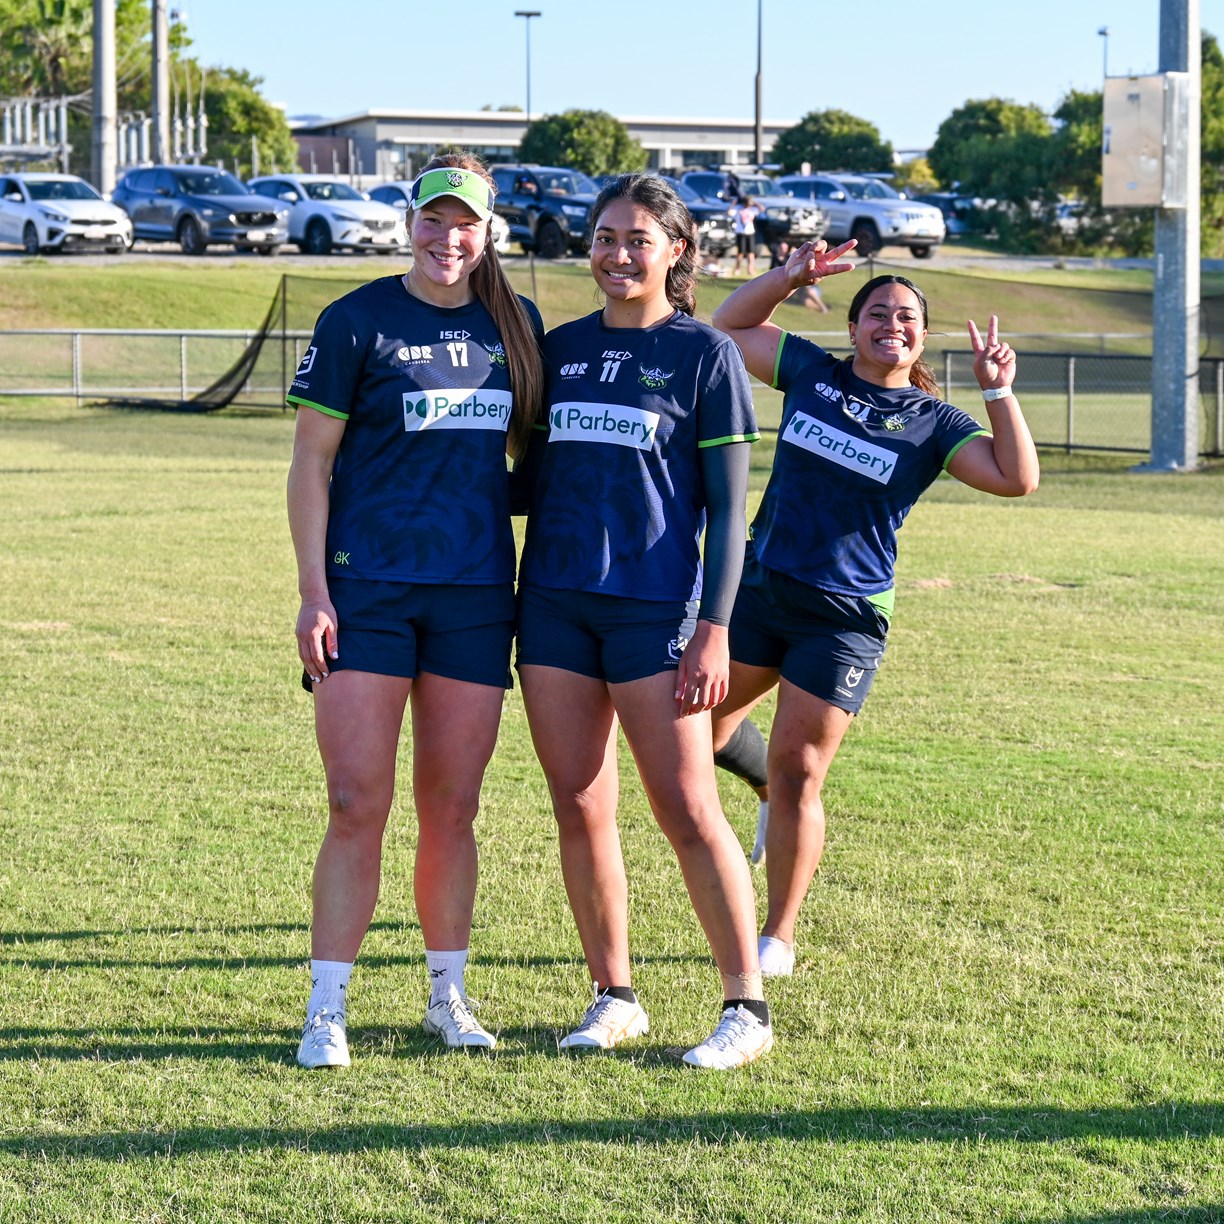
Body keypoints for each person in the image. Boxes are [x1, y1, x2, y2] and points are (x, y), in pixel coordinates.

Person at [710, 241, 1040, 978]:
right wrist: (789, 277)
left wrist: (998, 391)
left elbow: (1015, 478)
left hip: (844, 618)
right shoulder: (812, 374)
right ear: (853, 328)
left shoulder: (934, 421)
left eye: (907, 317)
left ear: (922, 336)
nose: (893, 324)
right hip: (760, 590)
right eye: (878, 313)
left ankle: (777, 936)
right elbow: (730, 327)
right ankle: (761, 787)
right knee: (697, 734)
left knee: (801, 770)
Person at [285, 152, 544, 1068]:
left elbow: (535, 458)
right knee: (355, 801)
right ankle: (326, 1008)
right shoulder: (356, 320)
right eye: (434, 219)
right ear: (410, 223)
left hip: (475, 595)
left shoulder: (516, 323)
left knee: (454, 807)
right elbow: (311, 463)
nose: (448, 238)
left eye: (466, 223)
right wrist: (313, 592)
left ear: (489, 232)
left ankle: (446, 995)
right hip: (367, 592)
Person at [514, 173, 773, 1070]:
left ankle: (746, 1007)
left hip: (655, 611)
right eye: (605, 237)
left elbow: (730, 512)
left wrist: (715, 629)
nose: (617, 254)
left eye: (637, 239)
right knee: (580, 804)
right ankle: (614, 995)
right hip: (553, 606)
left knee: (688, 807)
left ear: (676, 251)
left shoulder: (706, 356)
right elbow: (527, 480)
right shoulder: (559, 348)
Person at [771, 241, 829, 312]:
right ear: (778, 248)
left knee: (808, 291)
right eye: (781, 248)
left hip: (806, 285)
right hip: (794, 285)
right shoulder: (775, 258)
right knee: (805, 302)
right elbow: (772, 271)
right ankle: (822, 307)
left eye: (785, 248)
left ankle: (823, 307)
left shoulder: (790, 258)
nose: (783, 250)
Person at [732, 196, 759, 277]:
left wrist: (755, 203)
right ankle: (737, 269)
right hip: (741, 233)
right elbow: (730, 212)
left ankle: (750, 269)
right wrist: (733, 202)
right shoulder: (738, 209)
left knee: (751, 253)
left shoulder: (753, 209)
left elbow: (762, 208)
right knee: (740, 252)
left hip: (750, 233)